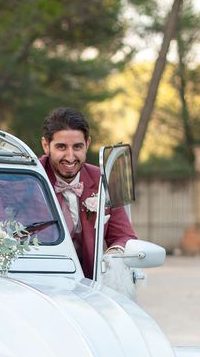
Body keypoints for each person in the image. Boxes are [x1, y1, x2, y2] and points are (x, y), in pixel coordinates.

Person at [39, 107, 137, 279]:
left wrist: (115, 252)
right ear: (46, 145)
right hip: (41, 281)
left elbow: (124, 236)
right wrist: (12, 235)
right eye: (61, 147)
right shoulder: (32, 177)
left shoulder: (102, 180)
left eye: (77, 147)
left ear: (88, 144)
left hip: (90, 284)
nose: (70, 157)